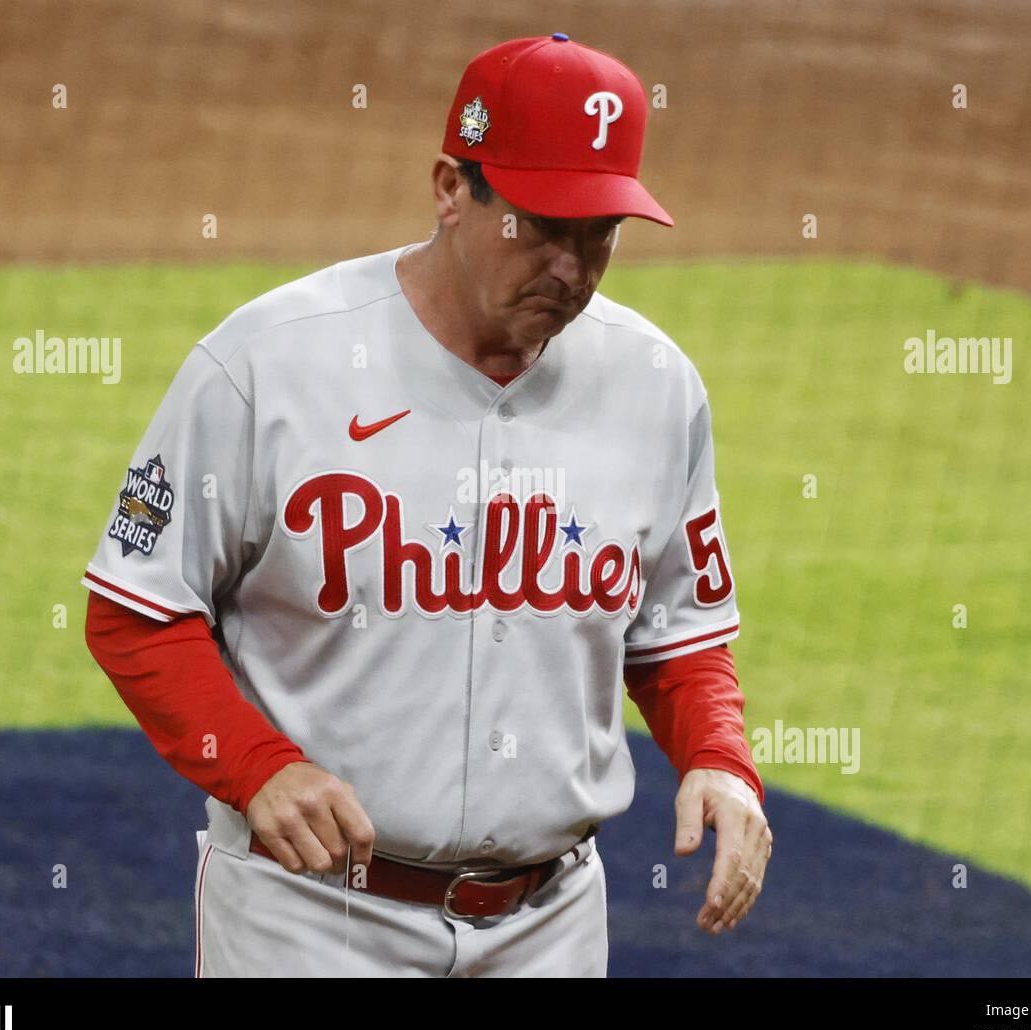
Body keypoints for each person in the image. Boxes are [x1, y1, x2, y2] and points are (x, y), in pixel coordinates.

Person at [83, 32, 770, 978]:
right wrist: (258, 767)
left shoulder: (656, 385)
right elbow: (136, 610)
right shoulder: (269, 365)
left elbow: (679, 634)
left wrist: (720, 761)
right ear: (452, 188)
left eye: (598, 233)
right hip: (312, 916)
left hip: (553, 923)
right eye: (540, 225)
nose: (571, 268)